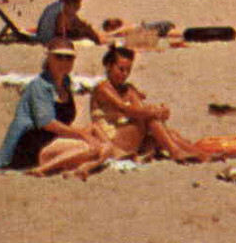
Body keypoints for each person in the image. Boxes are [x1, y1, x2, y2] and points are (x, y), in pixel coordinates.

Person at [0, 39, 110, 175]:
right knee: (90, 147)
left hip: (51, 139)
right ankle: (41, 169)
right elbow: (47, 123)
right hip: (31, 145)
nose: (64, 61)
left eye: (69, 57)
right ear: (49, 58)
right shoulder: (39, 86)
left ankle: (87, 166)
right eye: (59, 57)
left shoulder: (65, 82)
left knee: (100, 137)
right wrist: (82, 135)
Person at [86, 45, 216, 166]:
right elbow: (125, 109)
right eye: (121, 69)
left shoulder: (128, 89)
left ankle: (201, 155)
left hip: (130, 137)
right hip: (112, 140)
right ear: (109, 66)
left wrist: (160, 112)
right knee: (150, 117)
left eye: (128, 70)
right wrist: (154, 113)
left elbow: (140, 109)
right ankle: (176, 152)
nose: (125, 74)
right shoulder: (103, 89)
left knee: (170, 133)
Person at [34, 0, 102, 45]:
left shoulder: (66, 12)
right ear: (68, 5)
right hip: (56, 37)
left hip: (60, 34)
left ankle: (97, 40)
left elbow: (78, 22)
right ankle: (98, 42)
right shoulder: (61, 15)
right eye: (75, 7)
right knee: (87, 31)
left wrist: (83, 26)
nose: (77, 10)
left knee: (87, 29)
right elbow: (61, 31)